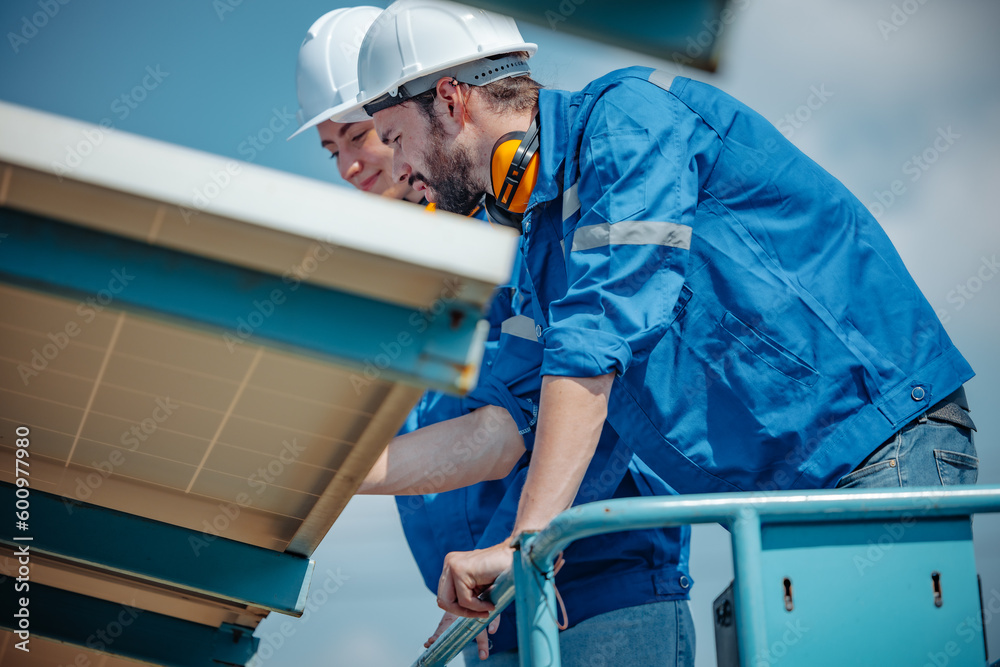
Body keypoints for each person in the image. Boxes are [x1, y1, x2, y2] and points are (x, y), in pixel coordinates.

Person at [331, 0, 979, 621]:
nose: (401, 167)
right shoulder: (541, 244)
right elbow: (522, 420)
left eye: (394, 137)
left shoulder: (628, 121)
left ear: (450, 100)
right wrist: (333, 470)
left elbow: (596, 337)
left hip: (877, 443)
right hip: (790, 488)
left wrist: (524, 545)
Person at [291, 8, 697, 664]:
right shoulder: (397, 277)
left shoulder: (513, 226)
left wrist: (523, 543)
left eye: (369, 136)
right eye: (332, 150)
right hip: (493, 598)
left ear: (443, 103)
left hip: (589, 582)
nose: (352, 168)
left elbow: (564, 395)